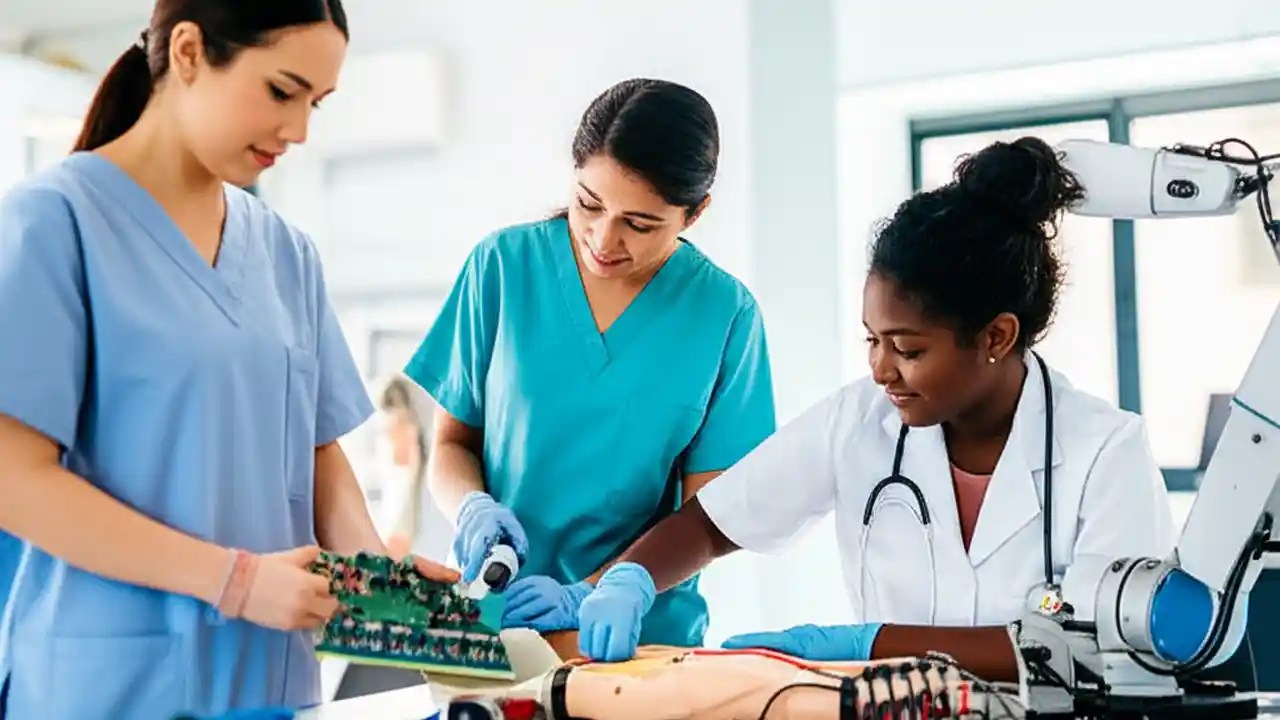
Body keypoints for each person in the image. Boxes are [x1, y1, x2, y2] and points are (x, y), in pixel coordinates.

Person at [570, 137, 1177, 679]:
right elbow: (711, 521)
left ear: (995, 337)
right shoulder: (861, 419)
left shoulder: (1106, 449)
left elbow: (1096, 648)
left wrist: (867, 644)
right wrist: (628, 579)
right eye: (873, 339)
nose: (881, 369)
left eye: (908, 349)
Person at [0, 3, 457, 718]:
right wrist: (234, 582)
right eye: (282, 91)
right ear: (187, 52)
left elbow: (318, 455)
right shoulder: (53, 224)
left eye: (317, 102)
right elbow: (13, 479)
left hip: (265, 683)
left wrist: (379, 582)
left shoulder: (286, 254)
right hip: (110, 686)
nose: (300, 130)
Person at [405, 78, 777, 654]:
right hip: (494, 624)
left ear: (695, 213)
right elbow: (452, 447)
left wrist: (594, 591)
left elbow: (715, 514)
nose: (604, 239)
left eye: (640, 223)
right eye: (589, 203)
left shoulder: (725, 314)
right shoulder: (502, 268)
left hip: (638, 638)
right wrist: (472, 507)